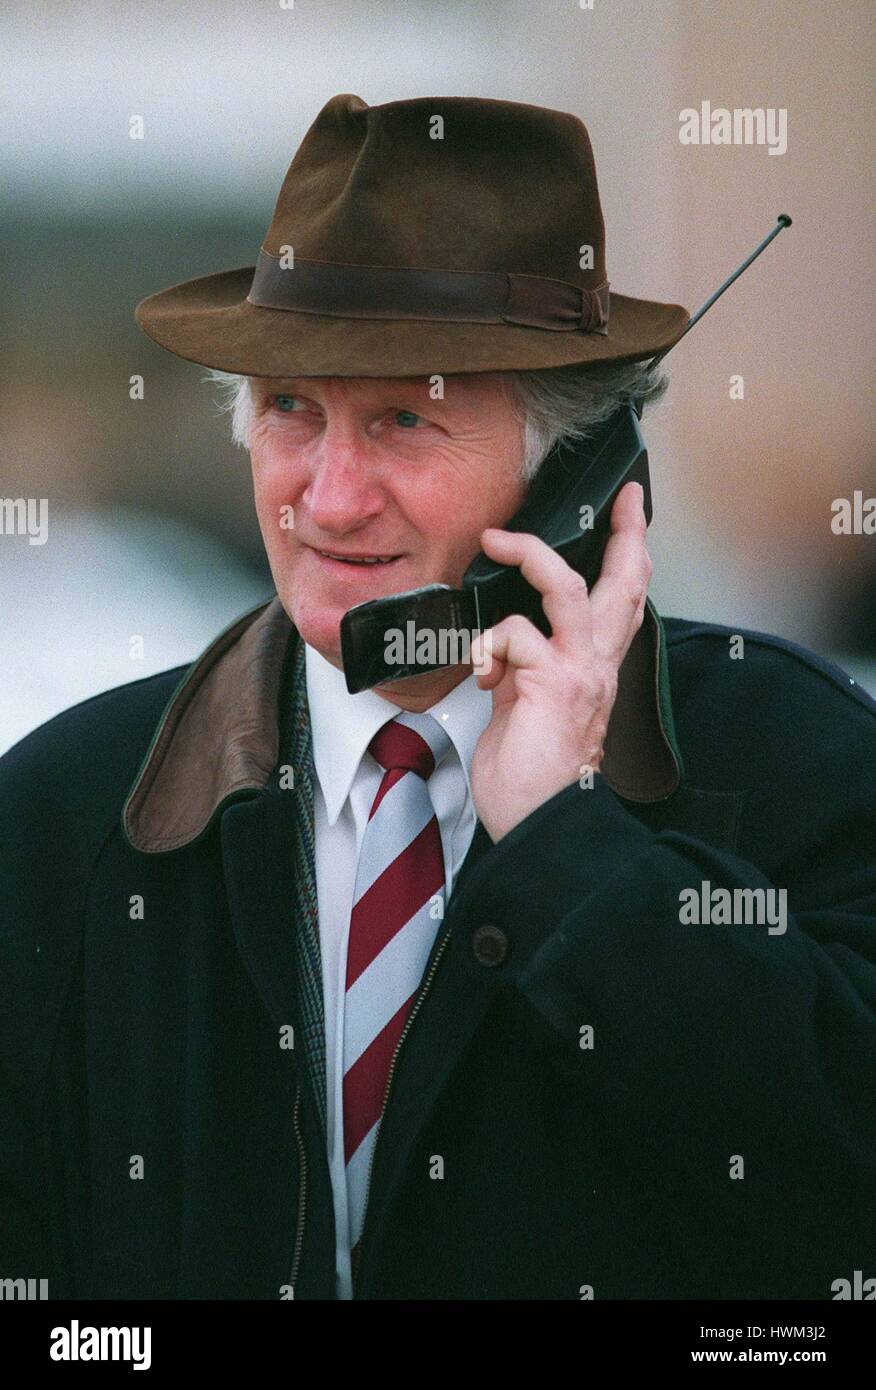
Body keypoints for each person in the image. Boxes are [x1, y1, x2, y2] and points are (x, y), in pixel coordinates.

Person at [1, 93, 874, 1301]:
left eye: (406, 417)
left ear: (575, 468)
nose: (330, 495)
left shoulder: (804, 766)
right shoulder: (57, 815)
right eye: (291, 410)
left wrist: (575, 854)